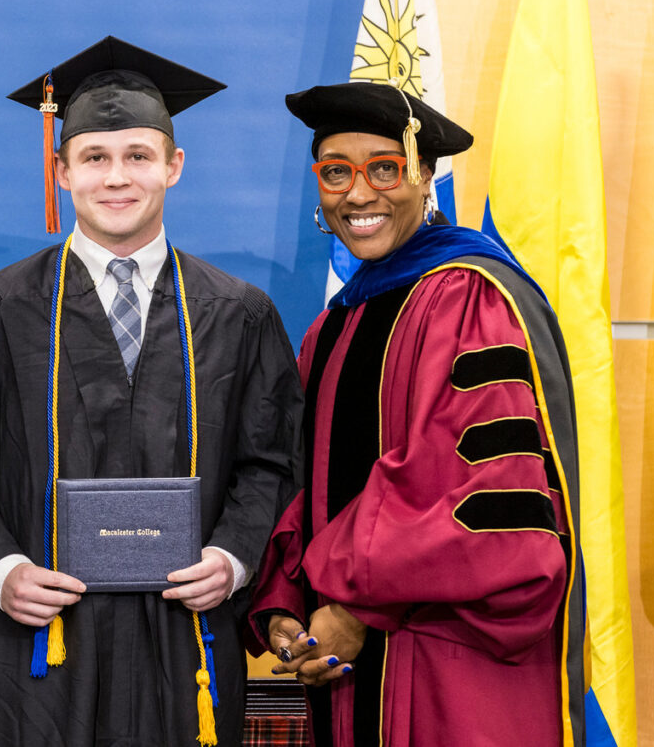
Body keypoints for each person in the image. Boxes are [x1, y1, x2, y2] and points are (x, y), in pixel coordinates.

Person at [0, 36, 302, 747]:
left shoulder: (239, 314)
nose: (117, 178)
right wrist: (0, 573)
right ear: (61, 171)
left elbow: (269, 467)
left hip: (183, 645)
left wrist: (234, 559)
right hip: (34, 650)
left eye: (138, 156)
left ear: (174, 167)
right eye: (94, 157)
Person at [247, 82, 587, 746]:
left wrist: (355, 606)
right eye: (335, 172)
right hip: (347, 660)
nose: (359, 193)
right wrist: (287, 602)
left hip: (447, 655)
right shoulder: (334, 327)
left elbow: (476, 489)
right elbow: (308, 484)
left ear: (426, 176)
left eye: (385, 168)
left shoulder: (469, 295)